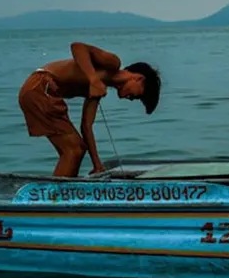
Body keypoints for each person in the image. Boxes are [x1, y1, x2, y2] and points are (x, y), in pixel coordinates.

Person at [17, 41, 161, 178]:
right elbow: (77, 47)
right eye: (137, 96)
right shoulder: (112, 64)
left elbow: (86, 126)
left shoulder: (97, 90)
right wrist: (93, 80)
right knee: (73, 150)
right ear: (139, 79)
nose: (130, 98)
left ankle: (64, 190)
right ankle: (54, 195)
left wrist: (96, 163)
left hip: (41, 92)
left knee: (77, 149)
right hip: (41, 87)